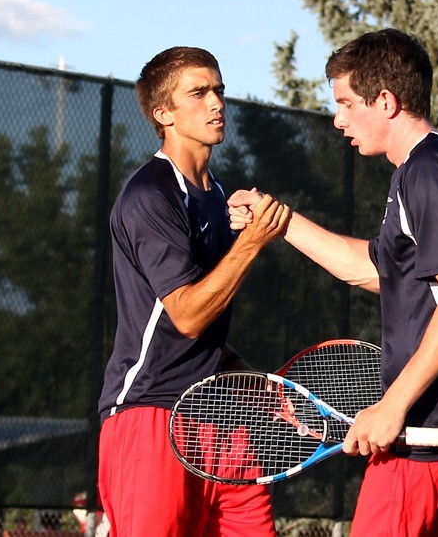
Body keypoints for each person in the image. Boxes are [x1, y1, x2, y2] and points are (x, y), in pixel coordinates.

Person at [228, 28, 438, 536]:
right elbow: (372, 269)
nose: (337, 119)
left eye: (346, 103)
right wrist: (279, 220)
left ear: (385, 101)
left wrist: (392, 406)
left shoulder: (429, 171)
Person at [96, 46, 290, 537]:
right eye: (199, 93)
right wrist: (251, 243)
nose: (216, 103)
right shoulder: (150, 195)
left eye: (219, 90)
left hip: (218, 418)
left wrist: (245, 374)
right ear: (164, 113)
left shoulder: (217, 195)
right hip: (151, 415)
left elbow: (196, 332)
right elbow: (185, 315)